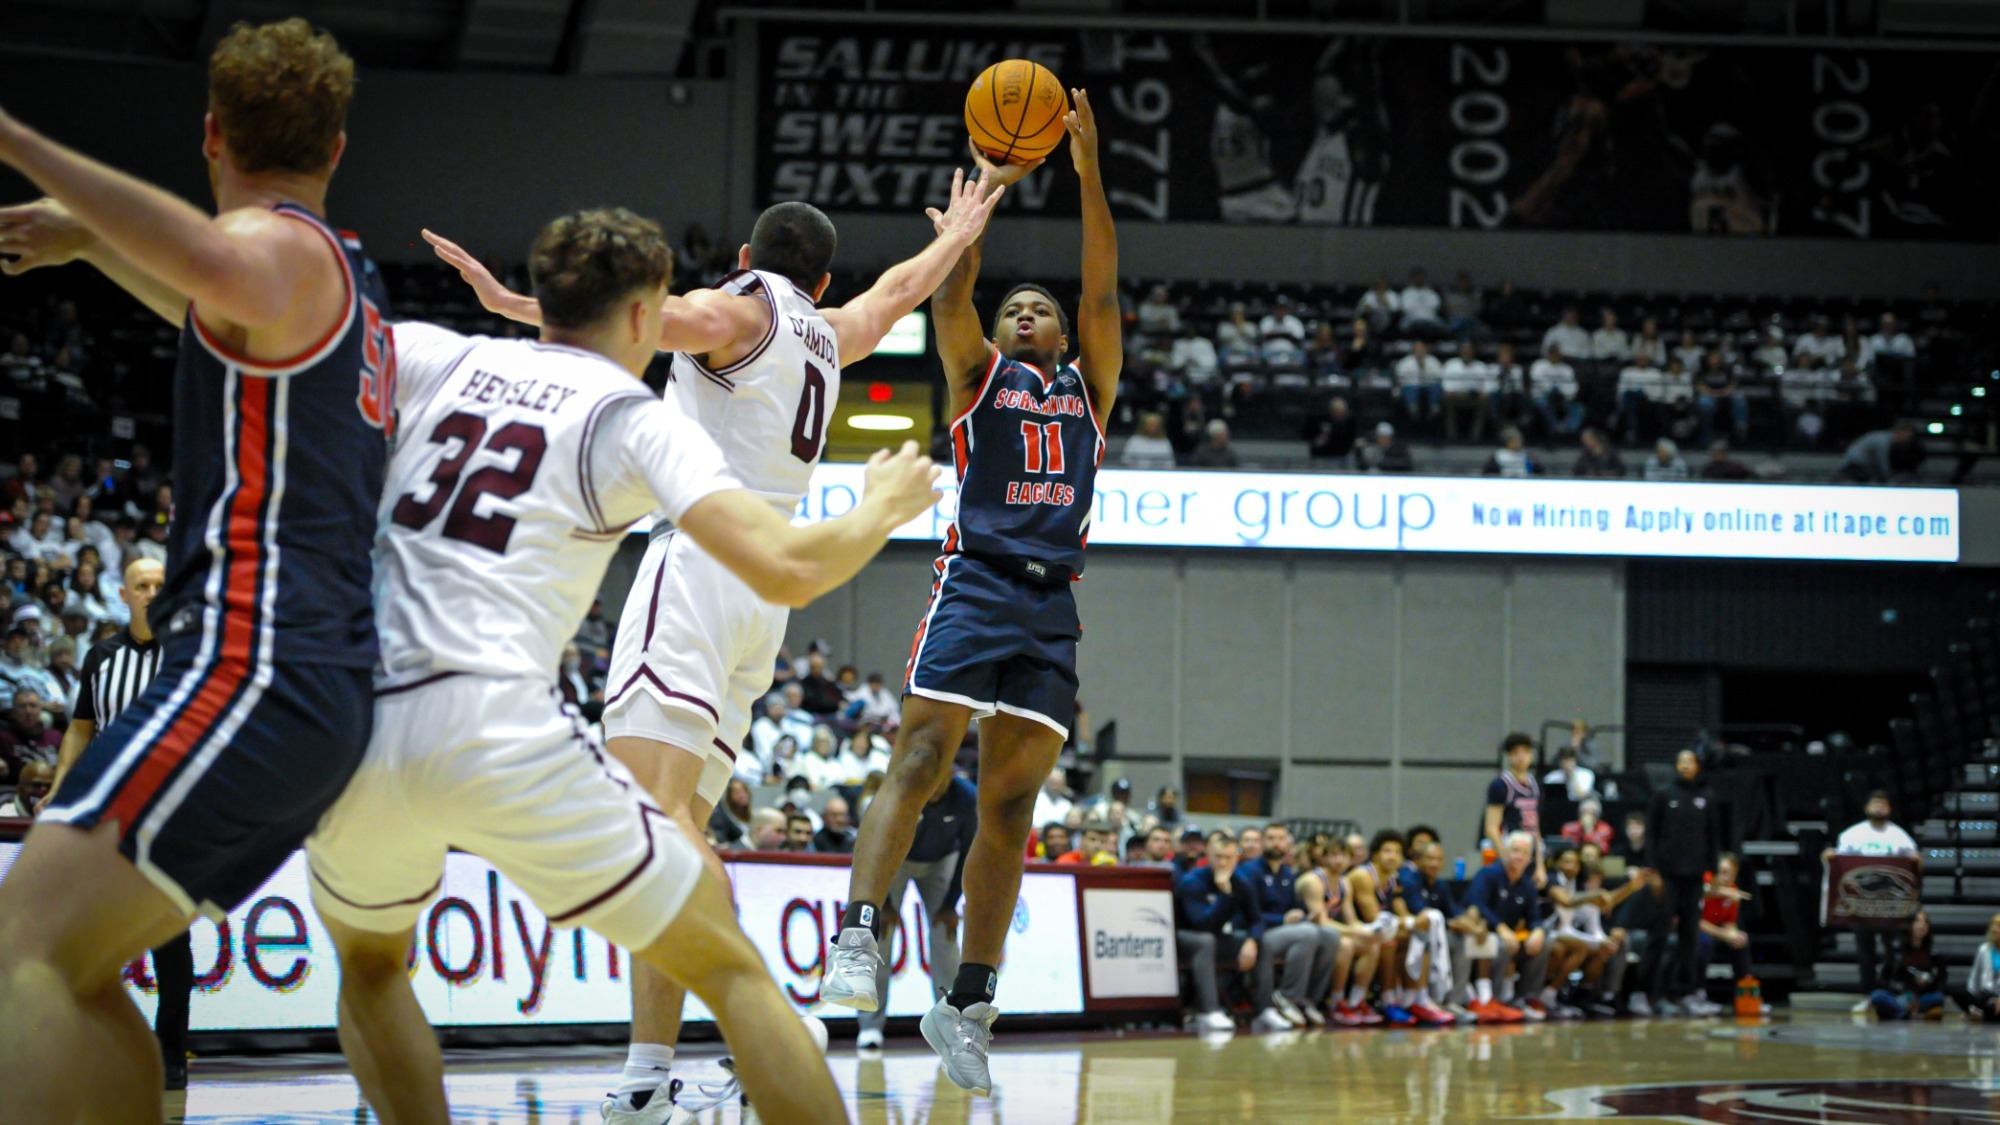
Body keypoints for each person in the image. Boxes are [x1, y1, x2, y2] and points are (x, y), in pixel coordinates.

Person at [302, 208, 945, 1124]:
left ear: (737, 265)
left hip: (676, 574)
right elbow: (901, 291)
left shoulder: (473, 358)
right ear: (822, 281)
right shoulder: (823, 333)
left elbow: (274, 318)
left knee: (384, 952)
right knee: (690, 843)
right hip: (752, 600)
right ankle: (658, 1066)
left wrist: (507, 301)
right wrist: (963, 226)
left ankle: (676, 1060)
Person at [0, 22, 399, 1119]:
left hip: (252, 669)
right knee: (68, 969)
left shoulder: (273, 248)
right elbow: (208, 300)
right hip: (305, 684)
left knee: (19, 953)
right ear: (338, 144)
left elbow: (219, 263)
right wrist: (88, 246)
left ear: (212, 135)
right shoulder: (343, 283)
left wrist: (20, 139)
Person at [822, 95, 1121, 1098]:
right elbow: (953, 304)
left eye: (1040, 310)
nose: (1028, 315)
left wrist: (1086, 175)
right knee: (916, 759)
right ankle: (858, 937)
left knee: (1010, 805)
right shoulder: (976, 377)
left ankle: (969, 1000)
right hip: (976, 583)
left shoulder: (1086, 387)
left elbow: (1105, 293)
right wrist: (968, 229)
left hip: (1052, 606)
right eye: (1014, 309)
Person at [41, 558, 181, 1085]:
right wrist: (58, 789)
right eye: (141, 586)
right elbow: (78, 729)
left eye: (159, 586)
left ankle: (170, 1057)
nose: (150, 593)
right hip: (106, 807)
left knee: (170, 938)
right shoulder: (101, 657)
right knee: (88, 934)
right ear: (123, 595)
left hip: (167, 808)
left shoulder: (188, 657)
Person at [855, 772, 976, 1049]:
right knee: (881, 935)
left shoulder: (967, 797)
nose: (934, 789)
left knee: (945, 936)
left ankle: (950, 1026)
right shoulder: (902, 789)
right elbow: (877, 846)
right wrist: (884, 904)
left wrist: (949, 905)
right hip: (894, 858)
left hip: (942, 860)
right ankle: (870, 1026)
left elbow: (970, 849)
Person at [1175, 831, 1291, 1034]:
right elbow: (1202, 924)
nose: (1223, 862)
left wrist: (1252, 941)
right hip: (1184, 939)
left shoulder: (1240, 882)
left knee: (1263, 943)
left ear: (1236, 859)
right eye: (1218, 857)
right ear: (1208, 856)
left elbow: (1256, 919)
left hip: (1215, 939)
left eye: (1228, 858)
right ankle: (1208, 1011)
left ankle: (1265, 1009)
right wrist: (1224, 894)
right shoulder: (1192, 881)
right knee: (1205, 940)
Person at [1824, 789, 1921, 1013]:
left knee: (1893, 952)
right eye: (1875, 803)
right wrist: (1828, 858)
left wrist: (1917, 861)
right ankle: (1868, 995)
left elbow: (1914, 870)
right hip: (1861, 907)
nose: (1879, 807)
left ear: (1890, 809)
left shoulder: (1900, 836)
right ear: (1866, 808)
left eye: (1884, 803)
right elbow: (1838, 865)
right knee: (1865, 953)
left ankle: (1889, 991)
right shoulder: (1851, 835)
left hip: (1890, 908)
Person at [1239, 822, 1340, 1028]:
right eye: (1271, 838)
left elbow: (1295, 910)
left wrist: (1307, 916)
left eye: (1281, 839)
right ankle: (1287, 996)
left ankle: (1309, 1000)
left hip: (1288, 931)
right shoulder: (1249, 871)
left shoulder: (1287, 874)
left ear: (1288, 843)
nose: (1276, 843)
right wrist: (1282, 920)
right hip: (1258, 931)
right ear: (1262, 842)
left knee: (1330, 936)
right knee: (1307, 933)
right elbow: (1248, 914)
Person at [1647, 749, 1723, 1017]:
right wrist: (1653, 870)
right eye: (1680, 762)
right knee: (1660, 933)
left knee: (1689, 936)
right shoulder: (1663, 795)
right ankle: (1649, 993)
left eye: (1689, 762)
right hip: (1668, 875)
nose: (1685, 766)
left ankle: (1684, 992)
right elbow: (1651, 834)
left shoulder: (1707, 798)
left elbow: (1714, 837)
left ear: (1697, 767)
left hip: (1694, 877)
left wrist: (1712, 874)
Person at [1296, 834, 1384, 1026]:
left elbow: (1351, 919)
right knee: (1345, 945)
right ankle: (1336, 1002)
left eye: (1344, 855)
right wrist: (1357, 932)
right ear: (1324, 857)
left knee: (1372, 944)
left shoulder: (1345, 883)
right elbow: (1322, 922)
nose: (1339, 860)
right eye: (1334, 855)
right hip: (1305, 932)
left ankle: (1357, 1000)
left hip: (1331, 932)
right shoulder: (1313, 881)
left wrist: (1371, 930)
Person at [1468, 832, 1552, 1019]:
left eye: (1524, 853)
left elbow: (1534, 915)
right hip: (1485, 934)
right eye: (1515, 851)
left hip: (1512, 936)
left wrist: (1537, 930)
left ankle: (1526, 998)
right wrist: (1500, 927)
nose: (1519, 857)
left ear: (1530, 859)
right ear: (1505, 852)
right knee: (1502, 945)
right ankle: (1494, 999)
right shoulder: (1488, 874)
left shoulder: (1527, 884)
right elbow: (1476, 903)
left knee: (1544, 943)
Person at [1391, 839, 1467, 1024]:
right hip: (1409, 931)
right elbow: (1420, 914)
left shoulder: (1440, 884)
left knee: (1461, 940)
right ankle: (1419, 998)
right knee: (1421, 938)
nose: (1434, 864)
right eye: (1430, 859)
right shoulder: (1410, 880)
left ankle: (1452, 1000)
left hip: (1432, 932)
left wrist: (1468, 923)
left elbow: (1454, 912)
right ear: (1418, 861)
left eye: (1438, 859)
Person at [1695, 853, 1754, 989]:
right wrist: (1724, 934)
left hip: (1716, 932)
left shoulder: (1732, 890)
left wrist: (1733, 934)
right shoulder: (1703, 882)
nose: (1727, 877)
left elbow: (1729, 922)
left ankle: (1744, 994)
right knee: (1704, 942)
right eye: (1723, 872)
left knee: (1741, 941)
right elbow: (1696, 922)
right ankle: (1698, 992)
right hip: (1697, 933)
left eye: (1732, 874)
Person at [1483, 733, 1542, 856]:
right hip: (1511, 849)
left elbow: (1536, 826)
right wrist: (1505, 856)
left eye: (1525, 752)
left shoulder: (1535, 784)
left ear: (1531, 755)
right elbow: (1491, 828)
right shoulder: (1500, 785)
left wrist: (1540, 865)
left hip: (1531, 849)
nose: (1521, 757)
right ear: (1509, 756)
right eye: (1515, 752)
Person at [1947, 912, 2000, 1022]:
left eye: (1998, 926)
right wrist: (1972, 1004)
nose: (1995, 929)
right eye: (1993, 925)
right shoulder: (1984, 950)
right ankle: (1979, 1013)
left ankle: (1984, 1015)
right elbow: (1974, 976)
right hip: (1986, 996)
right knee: (1955, 991)